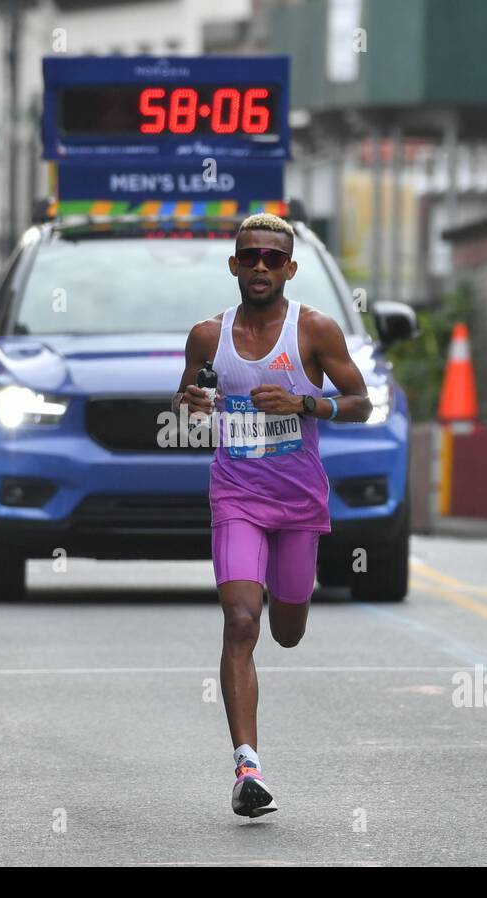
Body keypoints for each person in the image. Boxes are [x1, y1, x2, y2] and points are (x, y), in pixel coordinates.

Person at [173, 213, 372, 818]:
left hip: (299, 502)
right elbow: (185, 399)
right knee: (240, 620)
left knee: (286, 630)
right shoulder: (208, 336)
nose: (259, 266)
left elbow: (362, 403)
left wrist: (307, 402)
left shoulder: (315, 330)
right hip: (235, 494)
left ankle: (289, 609)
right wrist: (190, 401)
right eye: (249, 256)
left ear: (289, 268)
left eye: (271, 258)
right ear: (233, 265)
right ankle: (247, 768)